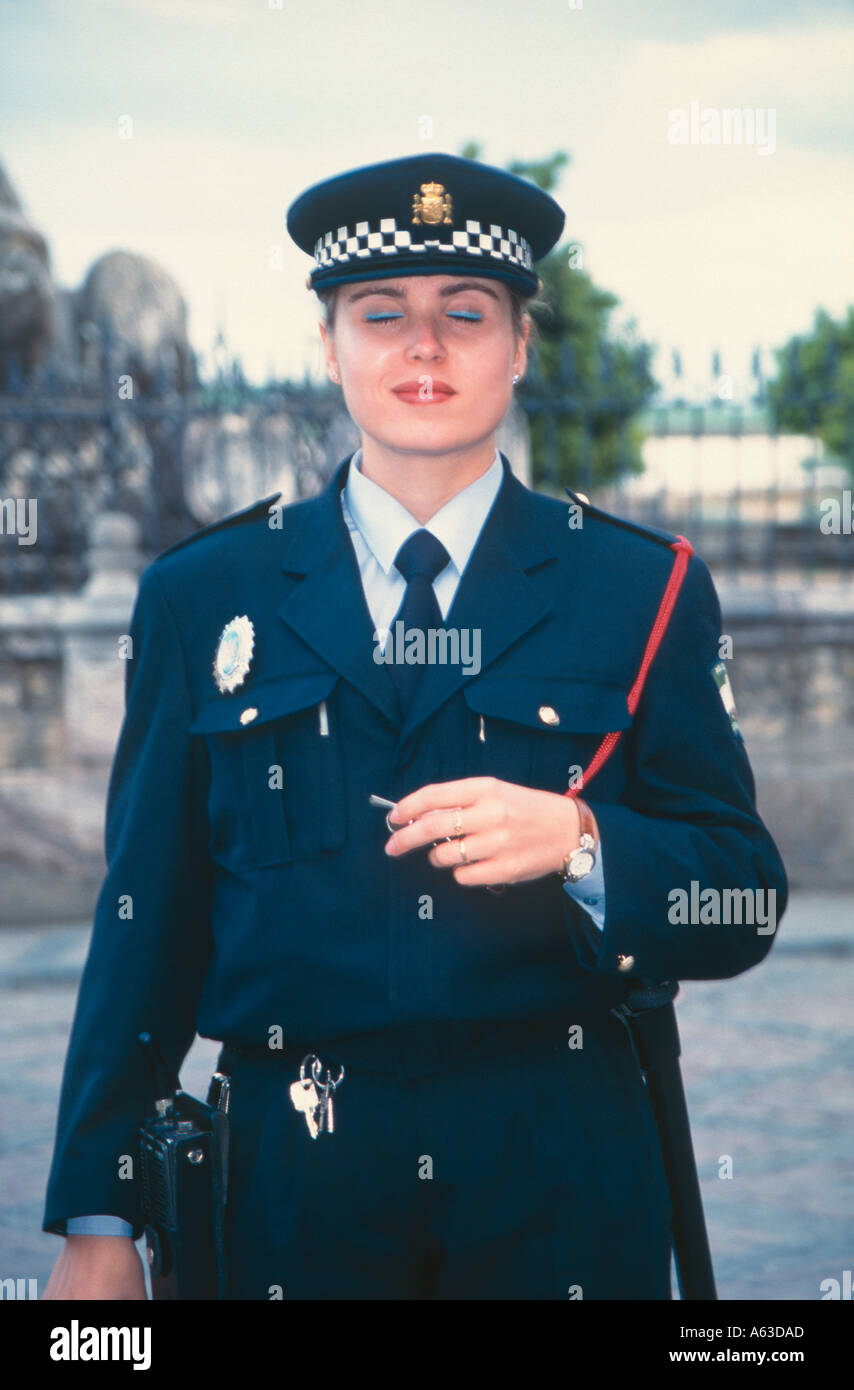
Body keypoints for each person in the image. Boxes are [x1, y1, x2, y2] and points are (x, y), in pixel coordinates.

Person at [42, 150, 787, 1301]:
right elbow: (147, 915)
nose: (423, 347)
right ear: (327, 347)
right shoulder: (205, 595)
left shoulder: (637, 591)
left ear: (520, 345)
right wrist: (100, 1212)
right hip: (293, 1184)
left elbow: (740, 895)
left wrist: (584, 845)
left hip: (561, 1169)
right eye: (380, 313)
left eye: (465, 313)